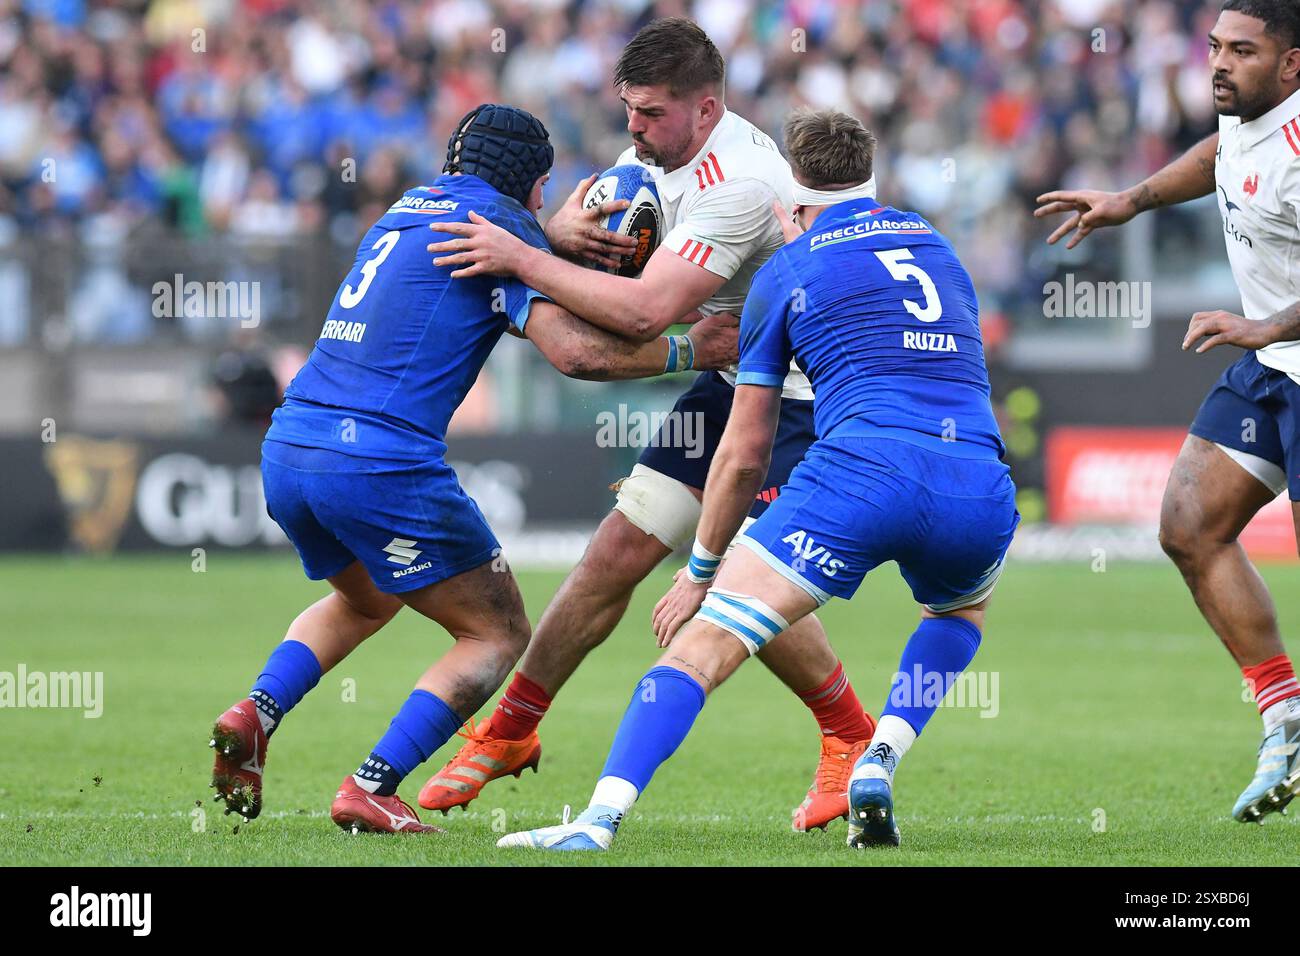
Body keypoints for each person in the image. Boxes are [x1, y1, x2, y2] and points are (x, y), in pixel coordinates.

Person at [495, 107, 1018, 851]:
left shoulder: (786, 270)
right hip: (978, 480)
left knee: (703, 646)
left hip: (861, 472)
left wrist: (700, 571)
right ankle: (880, 758)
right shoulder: (938, 246)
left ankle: (597, 822)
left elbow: (744, 451)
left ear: (790, 207)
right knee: (957, 616)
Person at [207, 103, 738, 834]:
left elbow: (474, 265)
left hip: (291, 448)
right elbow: (577, 354)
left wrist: (543, 240)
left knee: (365, 602)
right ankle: (372, 784)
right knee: (496, 634)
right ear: (536, 186)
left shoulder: (403, 210)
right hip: (379, 463)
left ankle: (255, 711)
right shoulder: (507, 234)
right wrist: (693, 350)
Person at [420, 17, 877, 835]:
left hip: (801, 394)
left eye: (651, 113)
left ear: (705, 109)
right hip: (734, 379)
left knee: (740, 585)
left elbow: (642, 311)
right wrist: (553, 232)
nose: (633, 128)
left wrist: (522, 257)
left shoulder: (740, 185)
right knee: (615, 553)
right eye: (628, 108)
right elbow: (586, 218)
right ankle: (511, 727)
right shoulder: (653, 154)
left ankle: (850, 733)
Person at [1035, 0, 1300, 823]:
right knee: (1188, 523)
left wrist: (1263, 322)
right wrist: (1133, 198)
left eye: (1244, 52)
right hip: (1270, 366)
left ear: (1291, 66)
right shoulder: (1247, 124)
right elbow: (1221, 156)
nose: (1220, 63)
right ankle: (1286, 718)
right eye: (1216, 47)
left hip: (1279, 345)